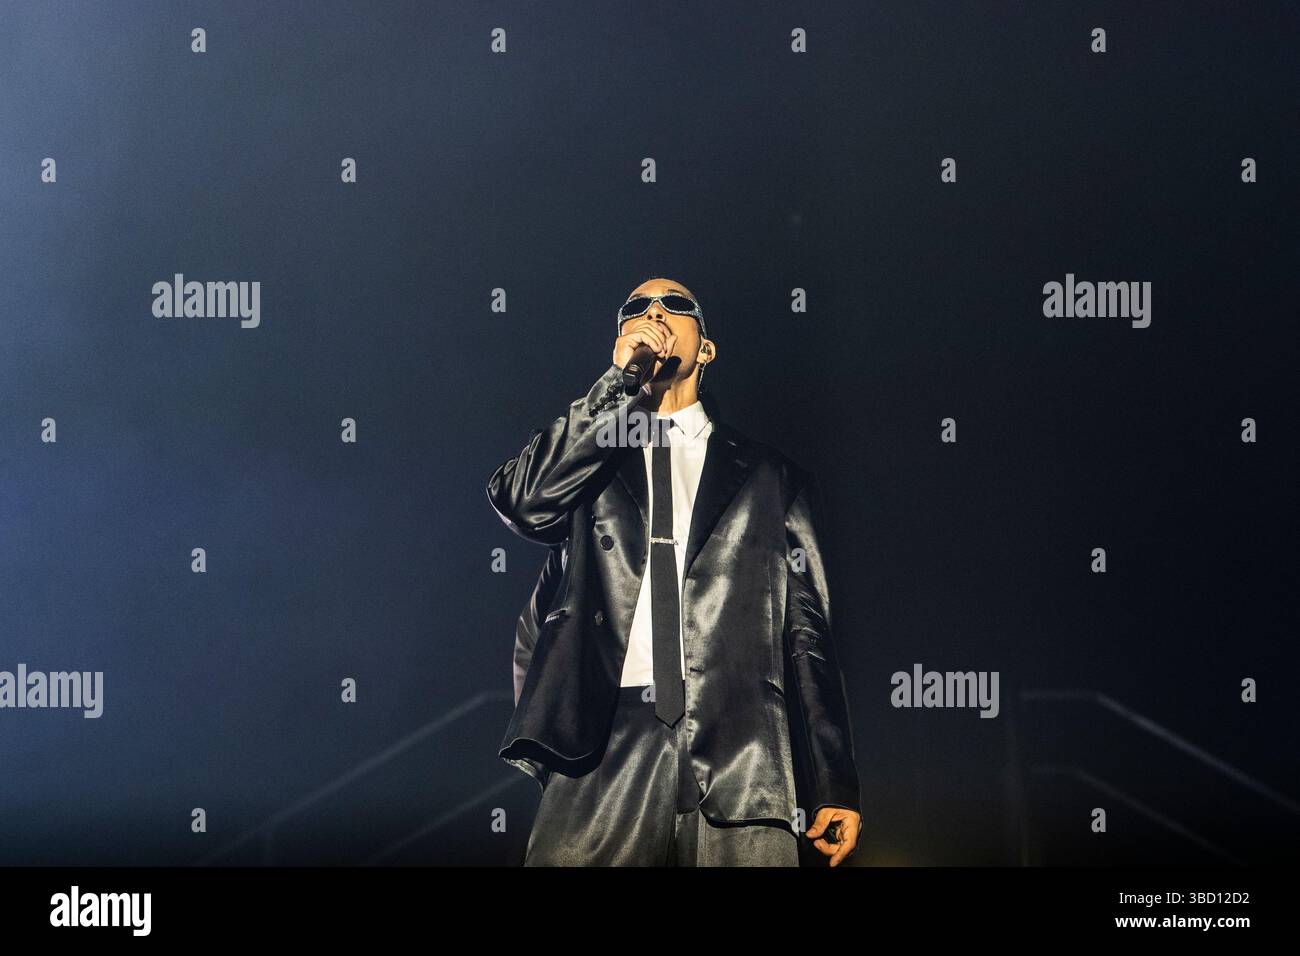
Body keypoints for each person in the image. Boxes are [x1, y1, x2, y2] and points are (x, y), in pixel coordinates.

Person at [487, 277, 862, 866]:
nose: (654, 313)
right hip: (604, 741)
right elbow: (522, 503)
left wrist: (832, 780)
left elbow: (807, 633)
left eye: (675, 305)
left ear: (705, 348)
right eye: (636, 308)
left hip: (743, 747)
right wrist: (617, 385)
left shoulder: (772, 477)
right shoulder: (592, 459)